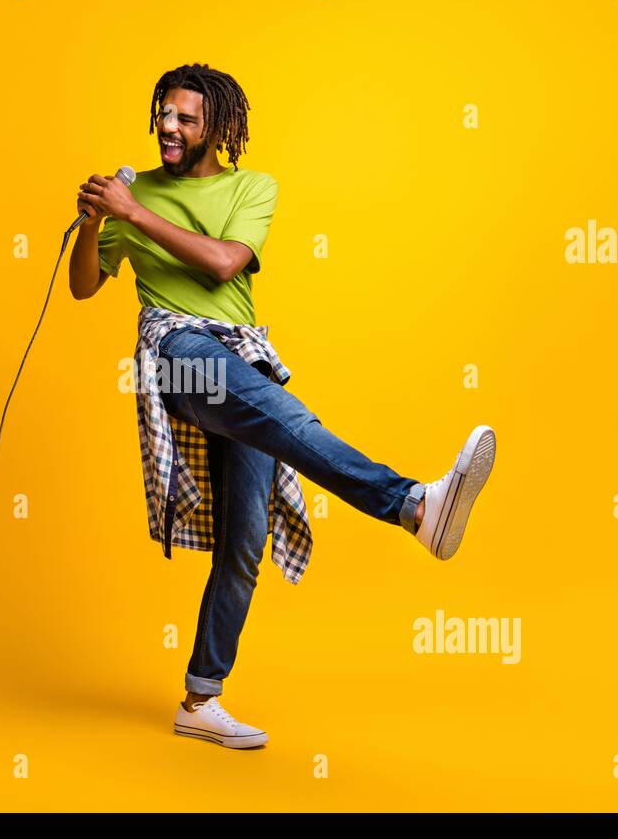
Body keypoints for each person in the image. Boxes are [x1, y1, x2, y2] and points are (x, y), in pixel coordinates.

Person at [68, 63, 496, 749]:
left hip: (240, 353)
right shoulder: (132, 192)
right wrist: (95, 223)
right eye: (163, 114)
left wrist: (132, 212)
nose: (169, 128)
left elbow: (224, 263)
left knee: (244, 535)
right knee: (290, 422)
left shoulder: (250, 188)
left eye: (185, 118)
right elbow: (85, 287)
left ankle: (200, 701)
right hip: (180, 352)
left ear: (219, 127)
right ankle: (415, 506)